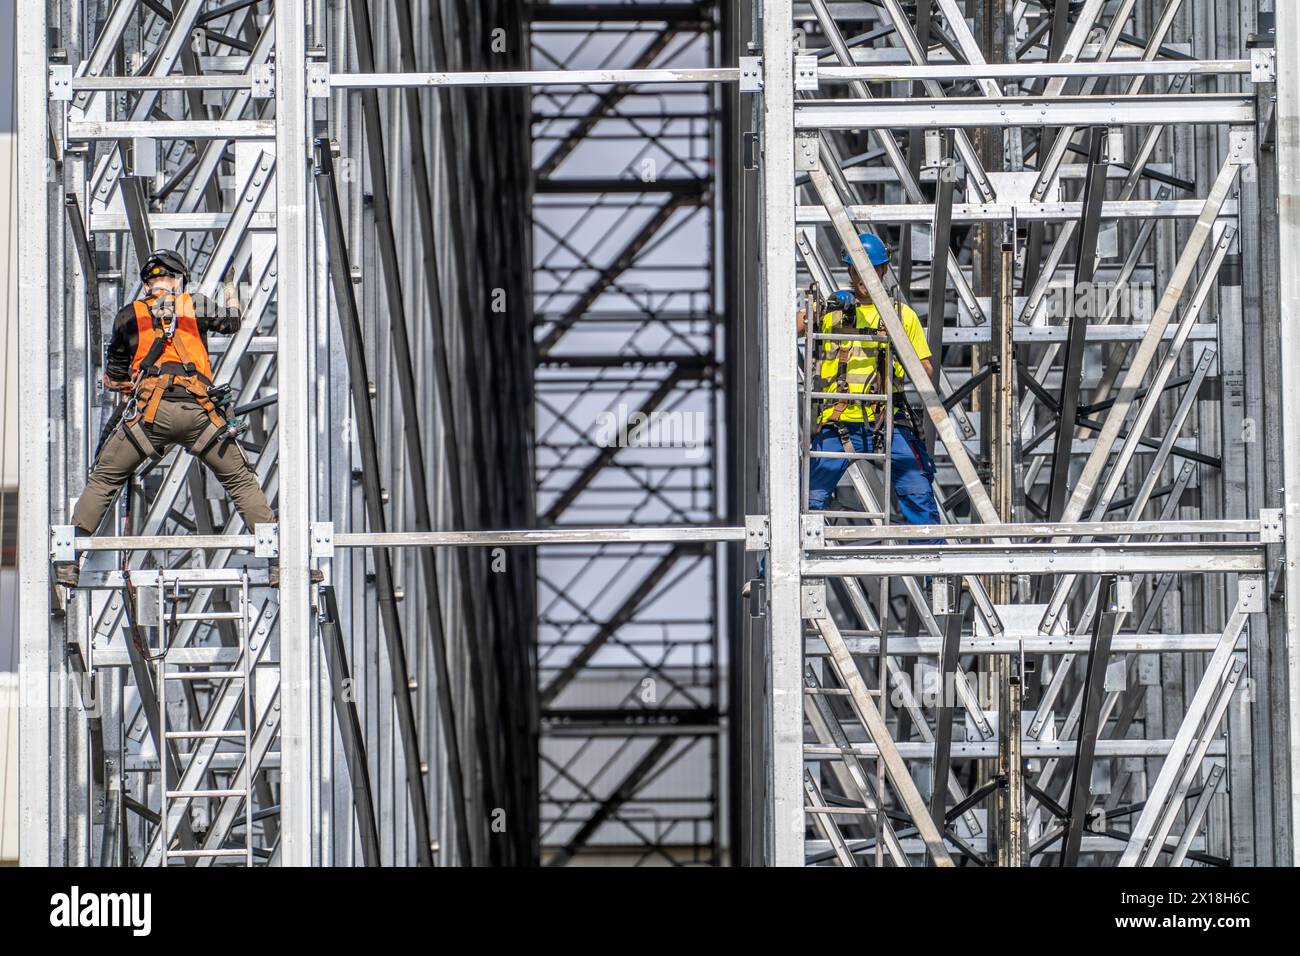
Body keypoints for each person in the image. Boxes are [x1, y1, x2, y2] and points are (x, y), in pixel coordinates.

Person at [56, 249, 275, 585]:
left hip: (150, 417)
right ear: (177, 280)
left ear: (147, 285)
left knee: (104, 479)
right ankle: (277, 561)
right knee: (241, 481)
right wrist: (230, 290)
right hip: (199, 413)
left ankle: (68, 562)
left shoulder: (130, 315)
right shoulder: (194, 303)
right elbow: (231, 323)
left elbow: (115, 377)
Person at [799, 231, 942, 533]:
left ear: (883, 270)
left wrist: (898, 345)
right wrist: (822, 308)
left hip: (887, 422)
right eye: (858, 269)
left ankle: (932, 573)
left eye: (871, 269)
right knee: (809, 499)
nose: (864, 276)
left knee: (918, 489)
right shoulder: (833, 312)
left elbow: (925, 370)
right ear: (850, 270)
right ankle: (768, 573)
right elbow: (793, 326)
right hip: (839, 423)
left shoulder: (901, 316)